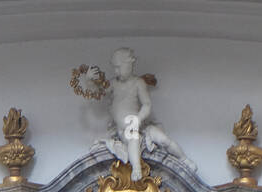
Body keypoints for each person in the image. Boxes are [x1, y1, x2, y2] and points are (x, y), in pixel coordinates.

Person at [80, 47, 195, 181]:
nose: (116, 71)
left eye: (119, 67)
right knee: (133, 138)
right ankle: (136, 169)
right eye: (115, 68)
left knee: (164, 140)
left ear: (129, 65)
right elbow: (97, 94)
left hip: (141, 125)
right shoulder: (113, 84)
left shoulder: (138, 83)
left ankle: (184, 159)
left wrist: (138, 119)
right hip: (124, 130)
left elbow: (147, 105)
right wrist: (89, 81)